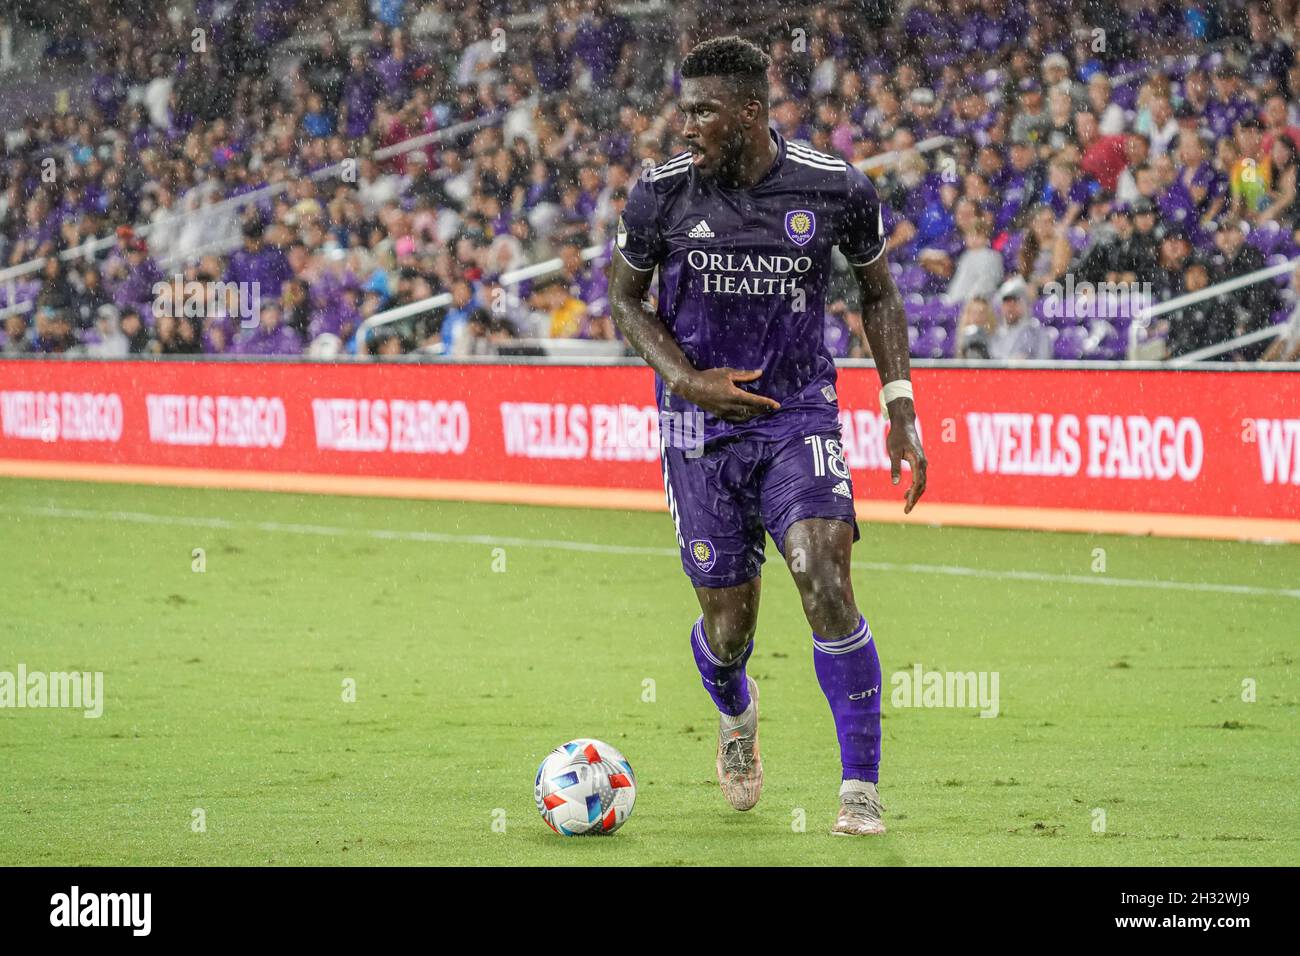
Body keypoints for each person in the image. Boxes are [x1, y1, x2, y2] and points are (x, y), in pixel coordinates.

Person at [608, 36, 926, 837]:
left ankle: (859, 787)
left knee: (823, 573)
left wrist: (900, 408)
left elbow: (879, 294)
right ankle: (737, 711)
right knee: (729, 627)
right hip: (698, 429)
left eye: (702, 112)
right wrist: (687, 380)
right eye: (683, 110)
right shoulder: (659, 196)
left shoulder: (835, 187)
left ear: (749, 113)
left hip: (797, 415)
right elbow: (625, 301)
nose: (685, 126)